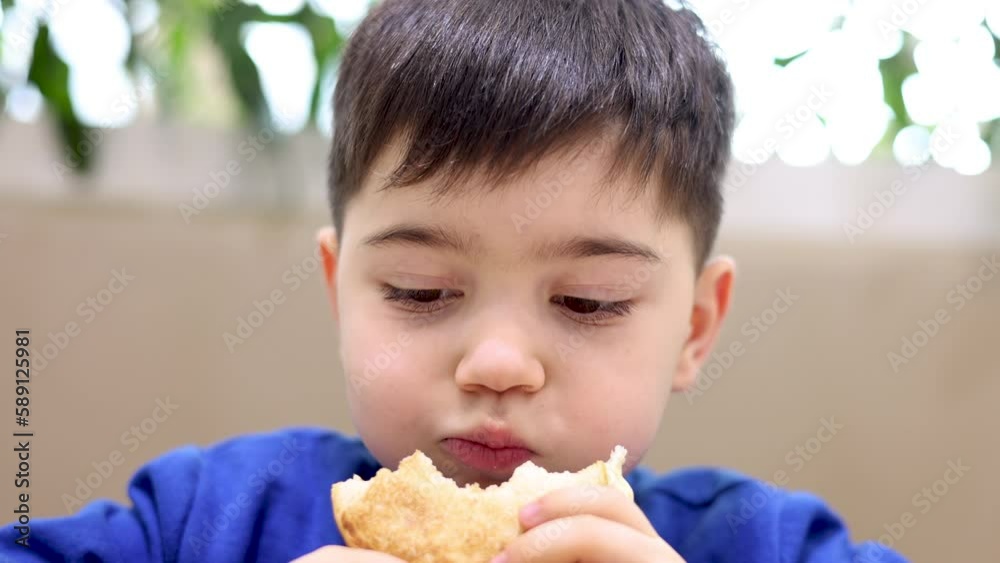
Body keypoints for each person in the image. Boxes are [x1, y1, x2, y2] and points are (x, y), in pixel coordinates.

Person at [2, 0, 908, 561]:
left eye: (588, 301)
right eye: (420, 291)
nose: (499, 363)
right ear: (338, 290)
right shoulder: (209, 518)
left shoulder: (770, 544)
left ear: (696, 328)